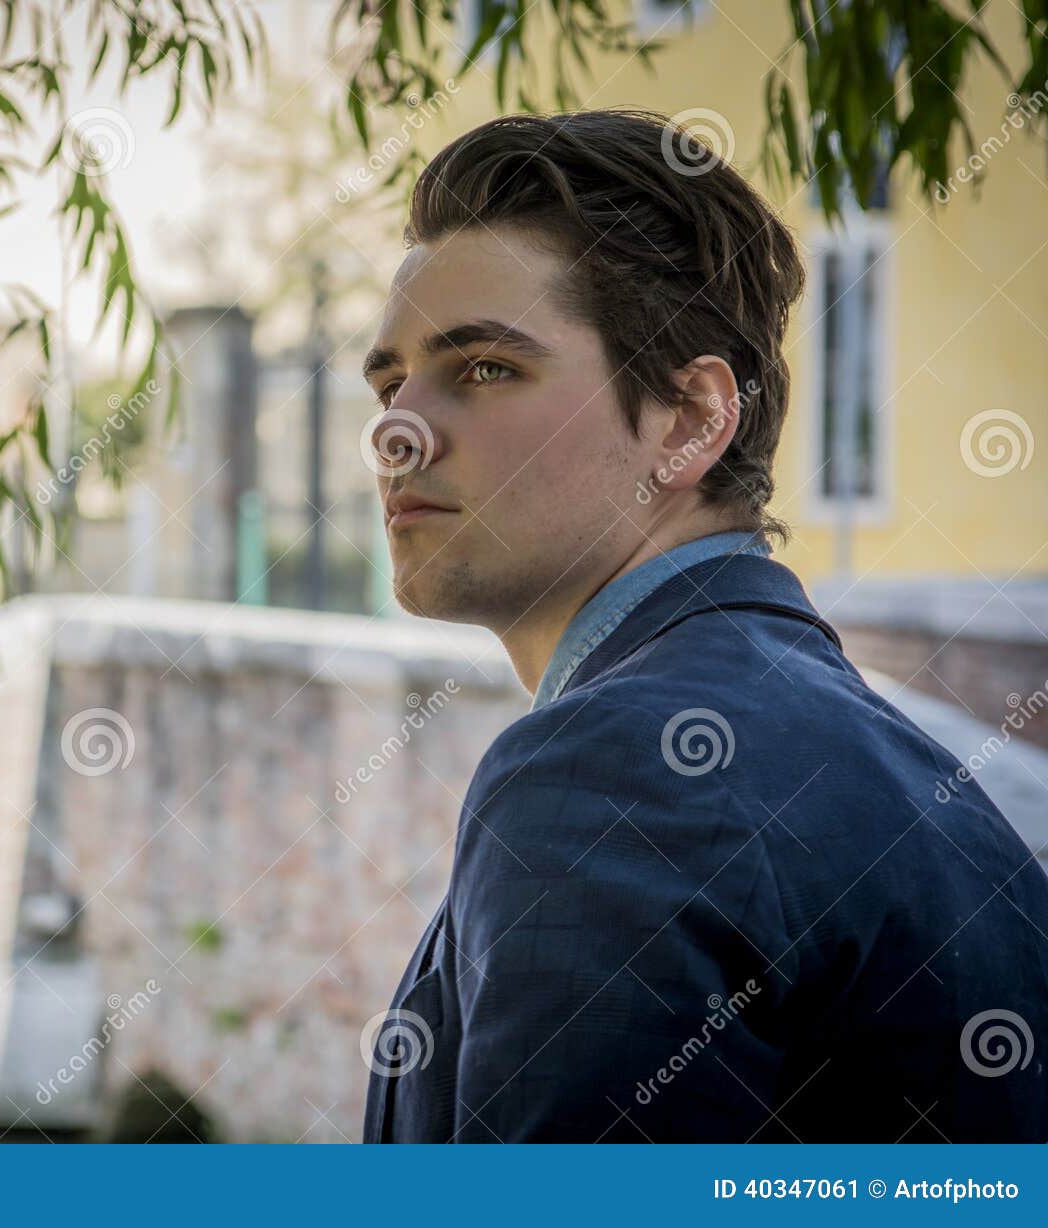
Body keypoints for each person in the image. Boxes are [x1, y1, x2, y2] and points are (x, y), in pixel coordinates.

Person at [359, 110, 1048, 1143]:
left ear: (688, 420)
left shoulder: (616, 770)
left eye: (485, 368)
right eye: (388, 380)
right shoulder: (900, 770)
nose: (396, 428)